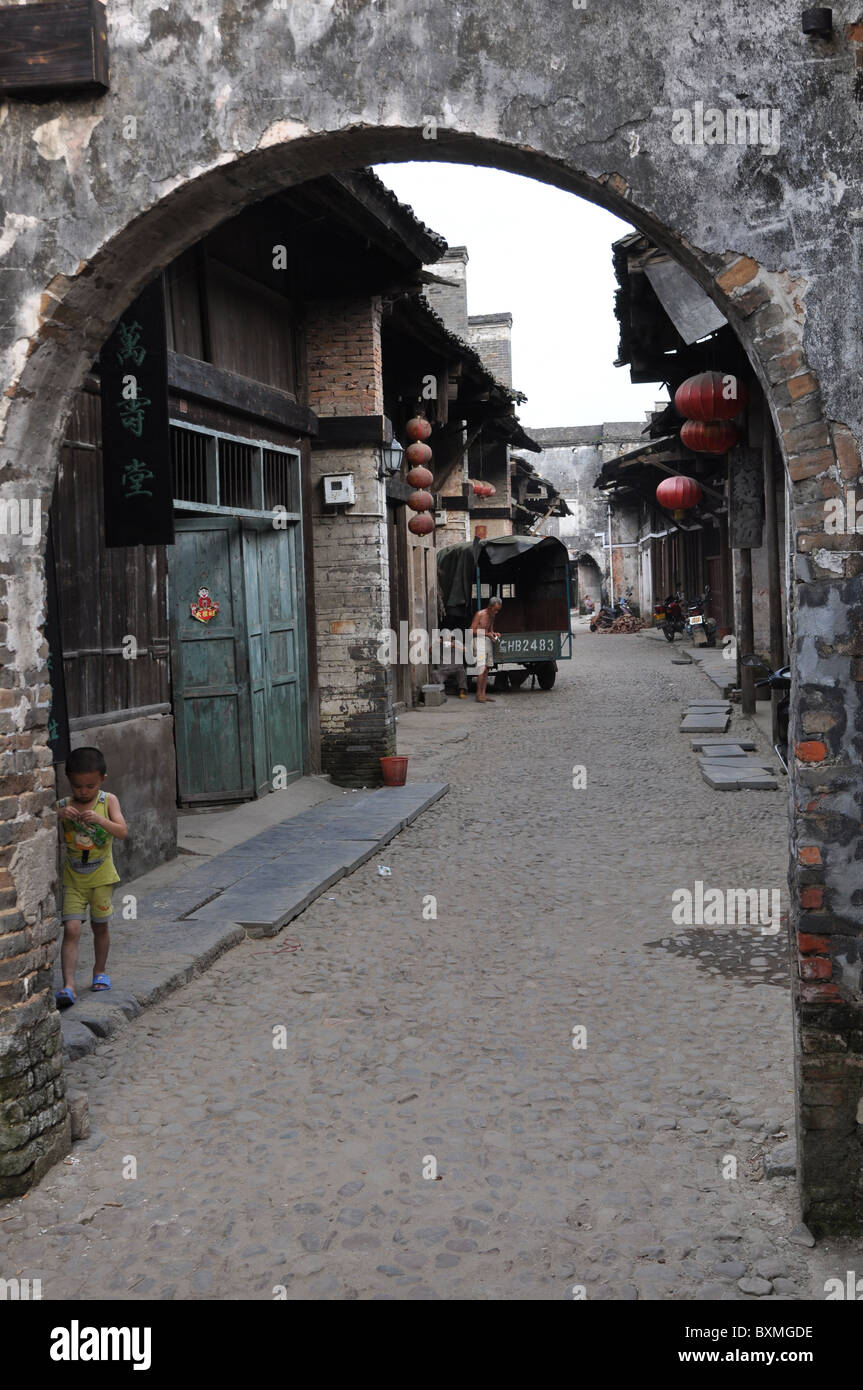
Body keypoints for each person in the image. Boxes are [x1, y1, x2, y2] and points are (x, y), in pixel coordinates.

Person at [55, 746, 127, 1008]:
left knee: (100, 926)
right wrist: (57, 815)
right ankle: (68, 986)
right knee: (72, 929)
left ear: (102, 780)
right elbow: (41, 824)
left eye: (90, 786)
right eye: (77, 786)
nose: (83, 792)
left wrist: (100, 820)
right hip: (73, 878)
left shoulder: (108, 801)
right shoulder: (63, 806)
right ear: (68, 781)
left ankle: (99, 972)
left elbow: (121, 831)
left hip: (101, 877)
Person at [470, 596, 502, 703]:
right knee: (482, 668)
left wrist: (494, 634)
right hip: (478, 641)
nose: (496, 612)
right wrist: (487, 634)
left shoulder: (492, 616)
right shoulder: (480, 614)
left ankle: (483, 694)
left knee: (487, 668)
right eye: (495, 609)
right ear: (490, 606)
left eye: (498, 610)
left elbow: (490, 630)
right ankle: (478, 694)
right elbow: (471, 631)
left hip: (487, 641)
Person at [431, 630, 468, 698]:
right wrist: (435, 643)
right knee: (435, 673)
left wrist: (455, 646)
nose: (448, 639)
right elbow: (430, 651)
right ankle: (441, 692)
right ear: (442, 638)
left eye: (449, 638)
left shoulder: (456, 643)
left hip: (457, 668)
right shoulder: (439, 644)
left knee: (462, 672)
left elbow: (466, 650)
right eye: (445, 638)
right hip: (443, 669)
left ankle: (462, 691)